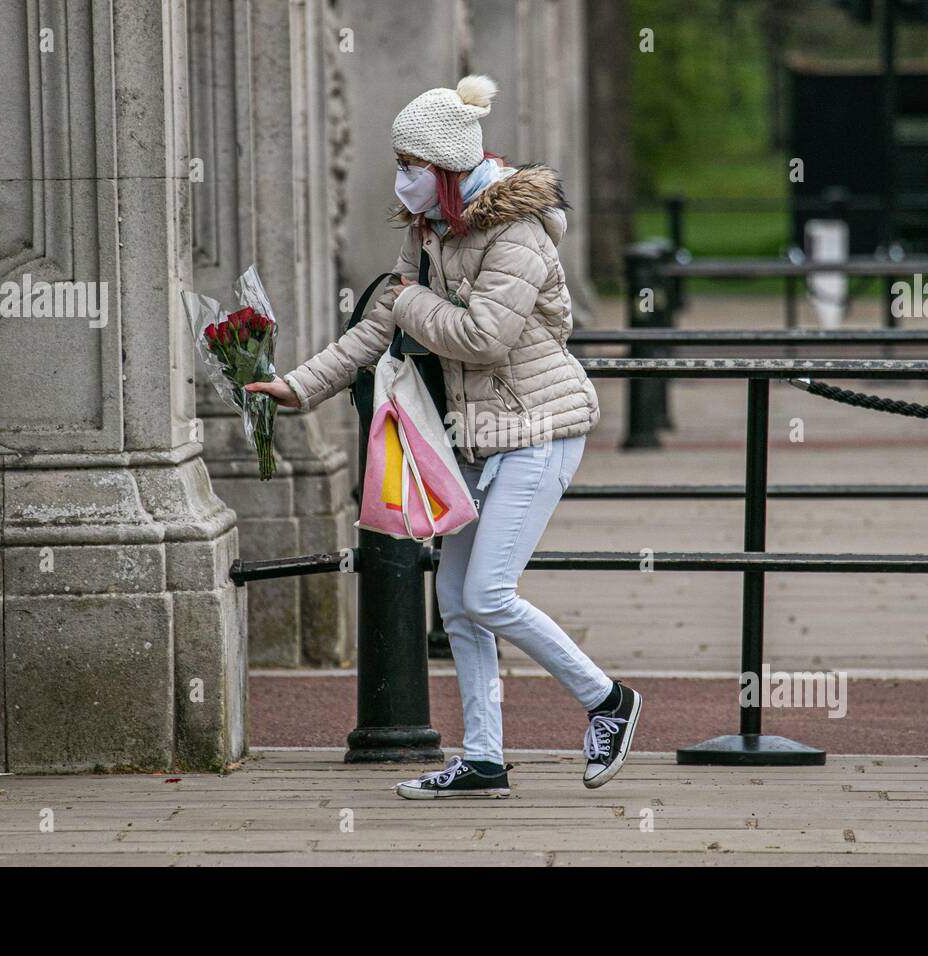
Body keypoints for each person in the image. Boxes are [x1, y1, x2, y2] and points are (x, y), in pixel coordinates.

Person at [246, 75, 641, 799]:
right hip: (478, 439)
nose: (400, 182)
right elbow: (375, 327)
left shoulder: (516, 232)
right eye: (397, 165)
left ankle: (607, 700)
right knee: (458, 603)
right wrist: (295, 387)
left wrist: (413, 301)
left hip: (540, 429)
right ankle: (484, 758)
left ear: (449, 170)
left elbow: (486, 339)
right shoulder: (430, 233)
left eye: (410, 167)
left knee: (488, 594)